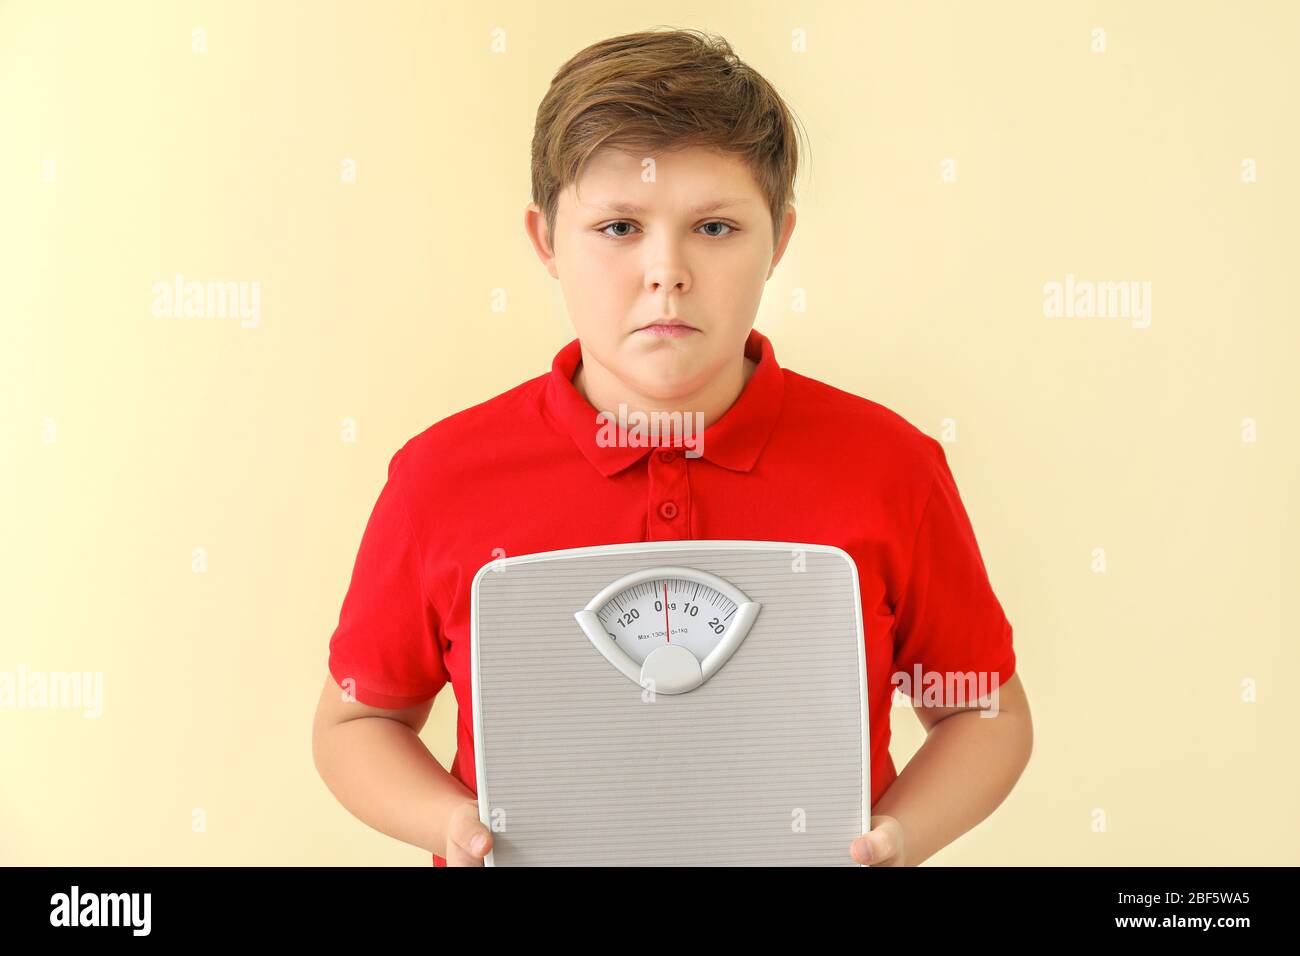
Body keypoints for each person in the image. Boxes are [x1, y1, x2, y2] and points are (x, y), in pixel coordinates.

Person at [312, 27, 1032, 867]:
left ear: (781, 239)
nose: (667, 271)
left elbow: (985, 712)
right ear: (546, 240)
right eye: (619, 226)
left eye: (716, 227)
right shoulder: (440, 478)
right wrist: (450, 826)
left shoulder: (889, 466)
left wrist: (899, 838)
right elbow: (356, 719)